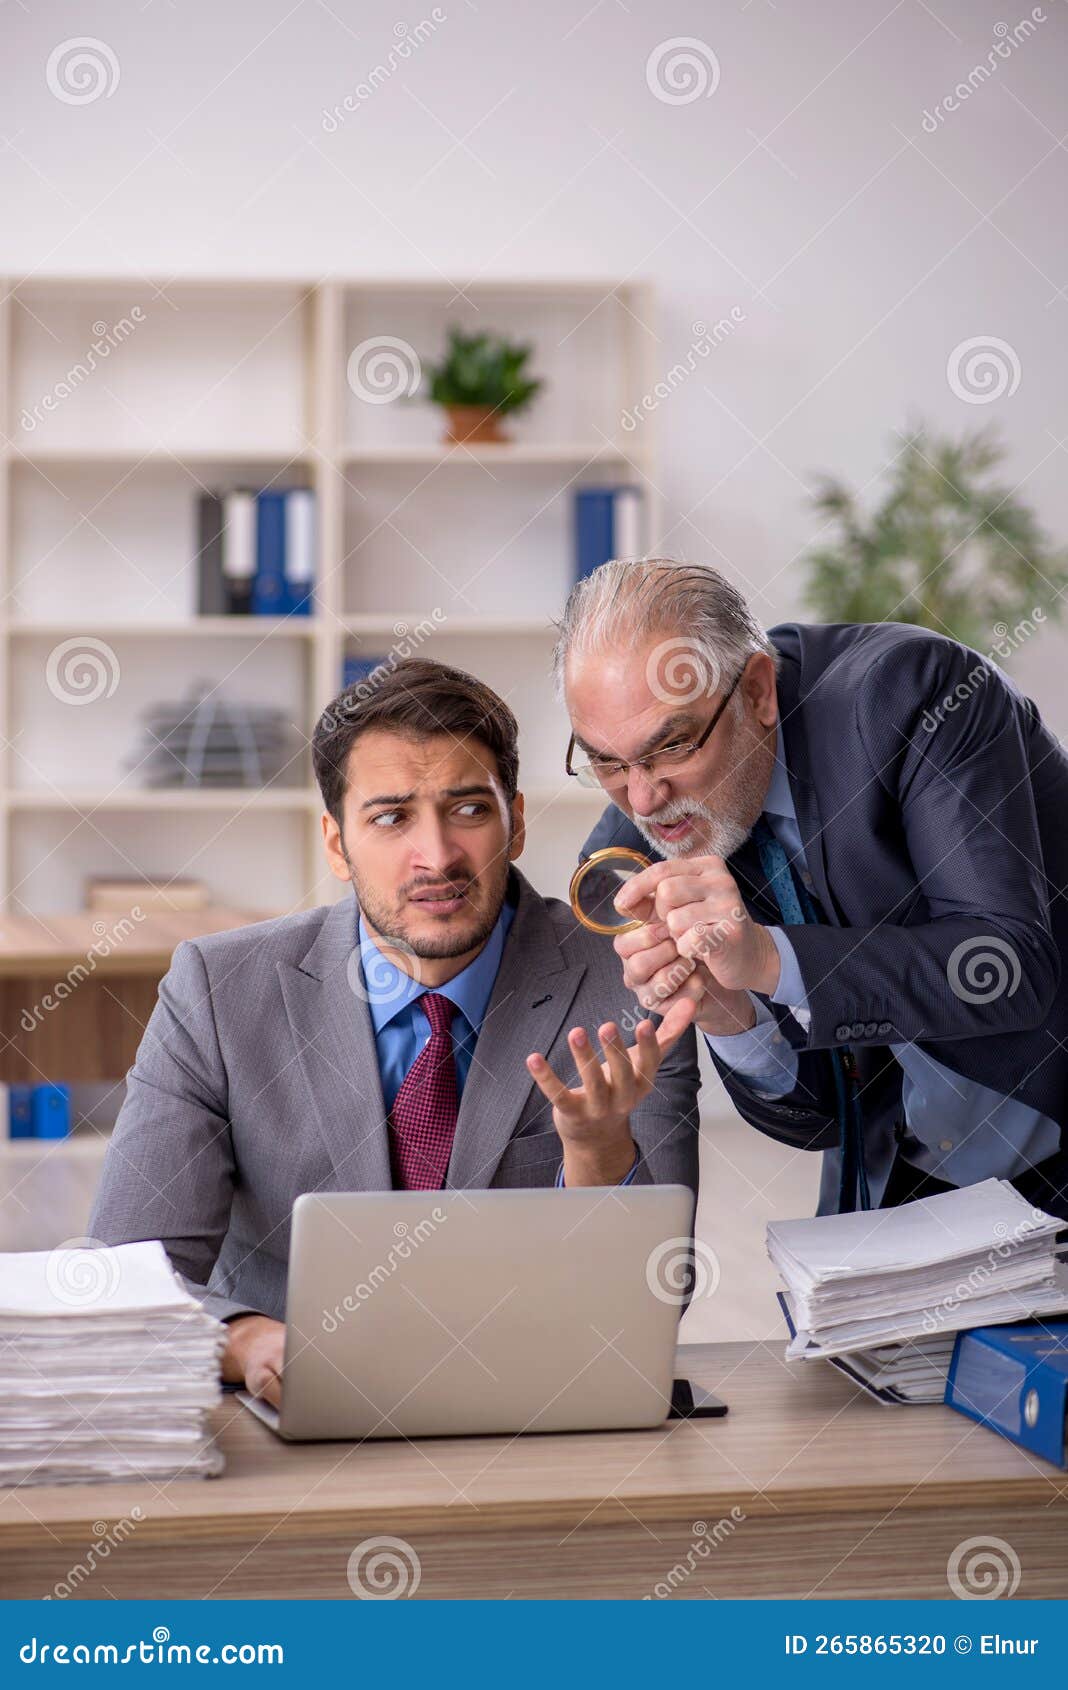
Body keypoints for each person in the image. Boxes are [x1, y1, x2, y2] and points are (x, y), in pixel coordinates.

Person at [89, 659, 699, 1408]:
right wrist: (248, 1341)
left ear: (515, 822)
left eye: (469, 810)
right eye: (391, 817)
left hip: (537, 1418)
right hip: (297, 1424)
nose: (437, 856)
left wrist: (599, 1155)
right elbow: (128, 1275)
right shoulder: (219, 993)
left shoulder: (627, 982)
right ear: (337, 844)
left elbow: (657, 1298)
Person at [556, 556, 1068, 1219]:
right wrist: (731, 1018)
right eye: (605, 760)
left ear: (758, 692)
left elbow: (1009, 966)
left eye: (674, 746)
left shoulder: (913, 694)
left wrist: (769, 958)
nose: (646, 798)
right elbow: (819, 1122)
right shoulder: (626, 859)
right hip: (902, 1182)